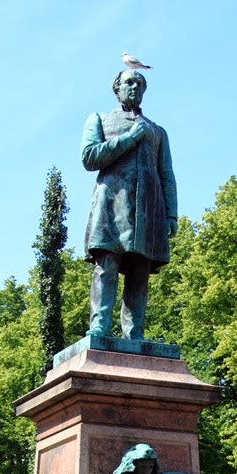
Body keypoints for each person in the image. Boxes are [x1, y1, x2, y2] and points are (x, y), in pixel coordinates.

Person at [81, 69, 177, 340]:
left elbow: (166, 174)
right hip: (111, 206)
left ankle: (134, 333)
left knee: (139, 271)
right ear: (117, 88)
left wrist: (172, 213)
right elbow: (89, 157)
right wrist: (130, 139)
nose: (134, 87)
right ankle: (99, 326)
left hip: (148, 210)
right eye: (129, 82)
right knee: (107, 266)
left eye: (140, 83)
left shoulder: (157, 132)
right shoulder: (100, 119)